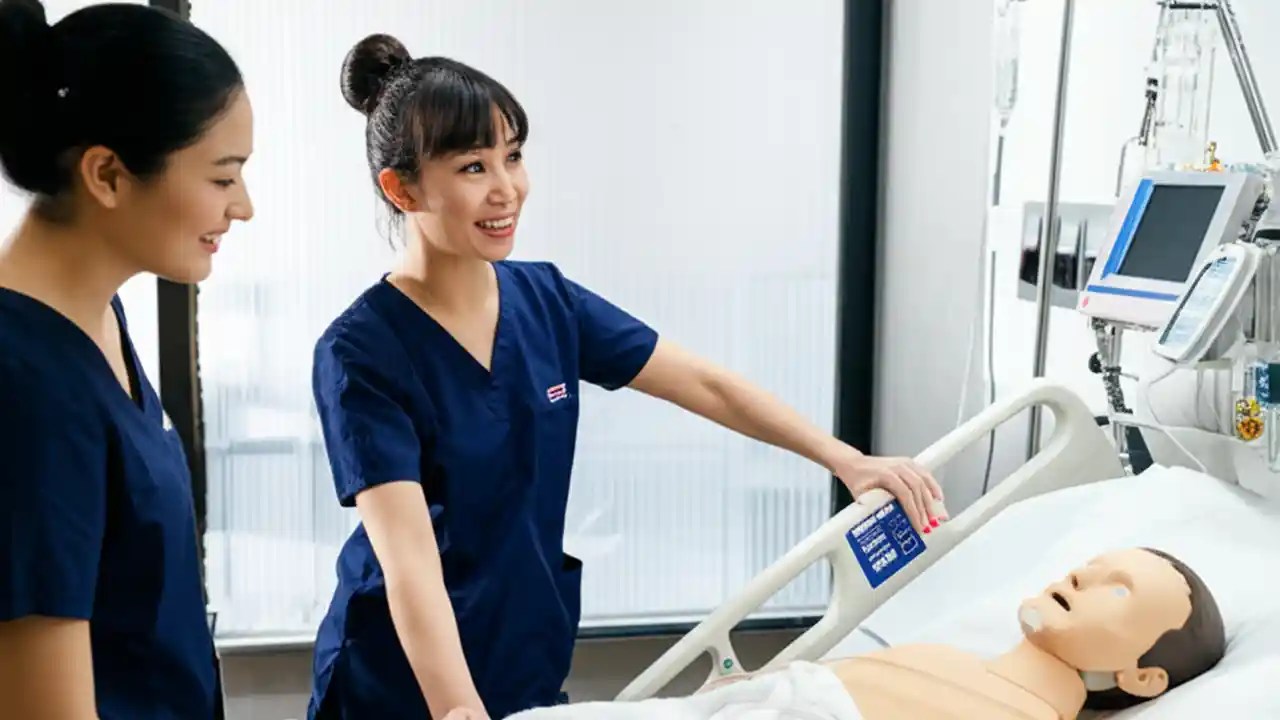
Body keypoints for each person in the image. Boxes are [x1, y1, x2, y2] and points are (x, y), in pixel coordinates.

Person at [308, 32, 946, 720]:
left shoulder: (546, 302)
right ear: (401, 188)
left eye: (513, 157)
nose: (507, 189)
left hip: (522, 649)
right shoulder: (361, 351)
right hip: (403, 676)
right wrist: (456, 708)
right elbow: (409, 565)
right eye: (472, 167)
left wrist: (846, 460)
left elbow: (704, 384)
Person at [0, 1, 254, 718]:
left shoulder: (96, 316)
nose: (244, 206)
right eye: (222, 176)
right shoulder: (25, 384)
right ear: (107, 175)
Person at [501, 546, 1224, 720]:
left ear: (1143, 677)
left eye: (1117, 591)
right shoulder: (952, 656)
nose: (1078, 580)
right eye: (1088, 567)